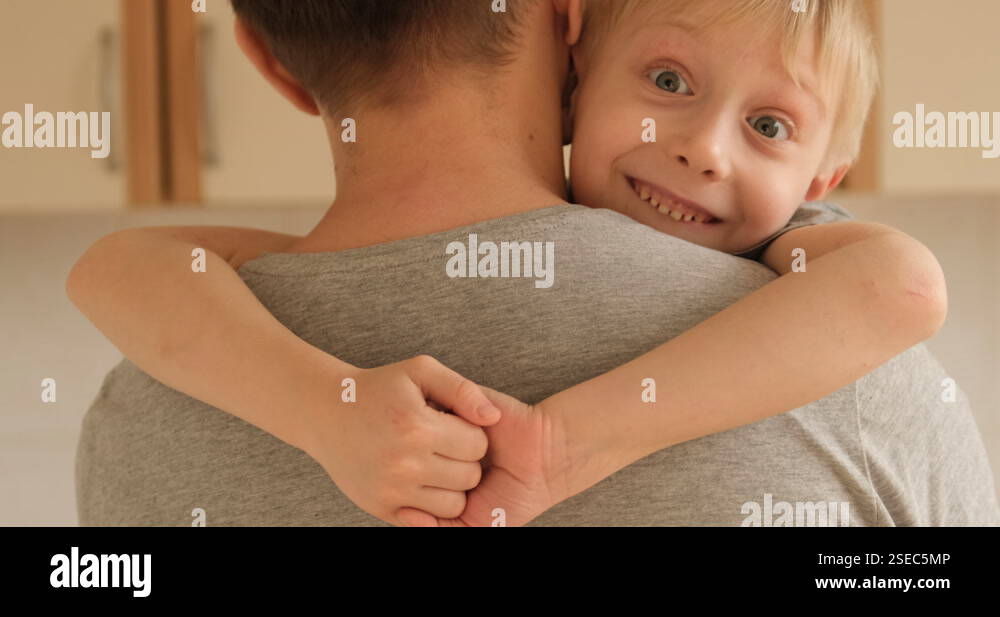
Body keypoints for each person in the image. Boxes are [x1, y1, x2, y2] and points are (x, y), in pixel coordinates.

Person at [69, 0, 999, 526]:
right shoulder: (860, 381)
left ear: (266, 61)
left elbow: (122, 266)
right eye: (670, 82)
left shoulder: (154, 392)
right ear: (573, 28)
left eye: (768, 126)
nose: (705, 153)